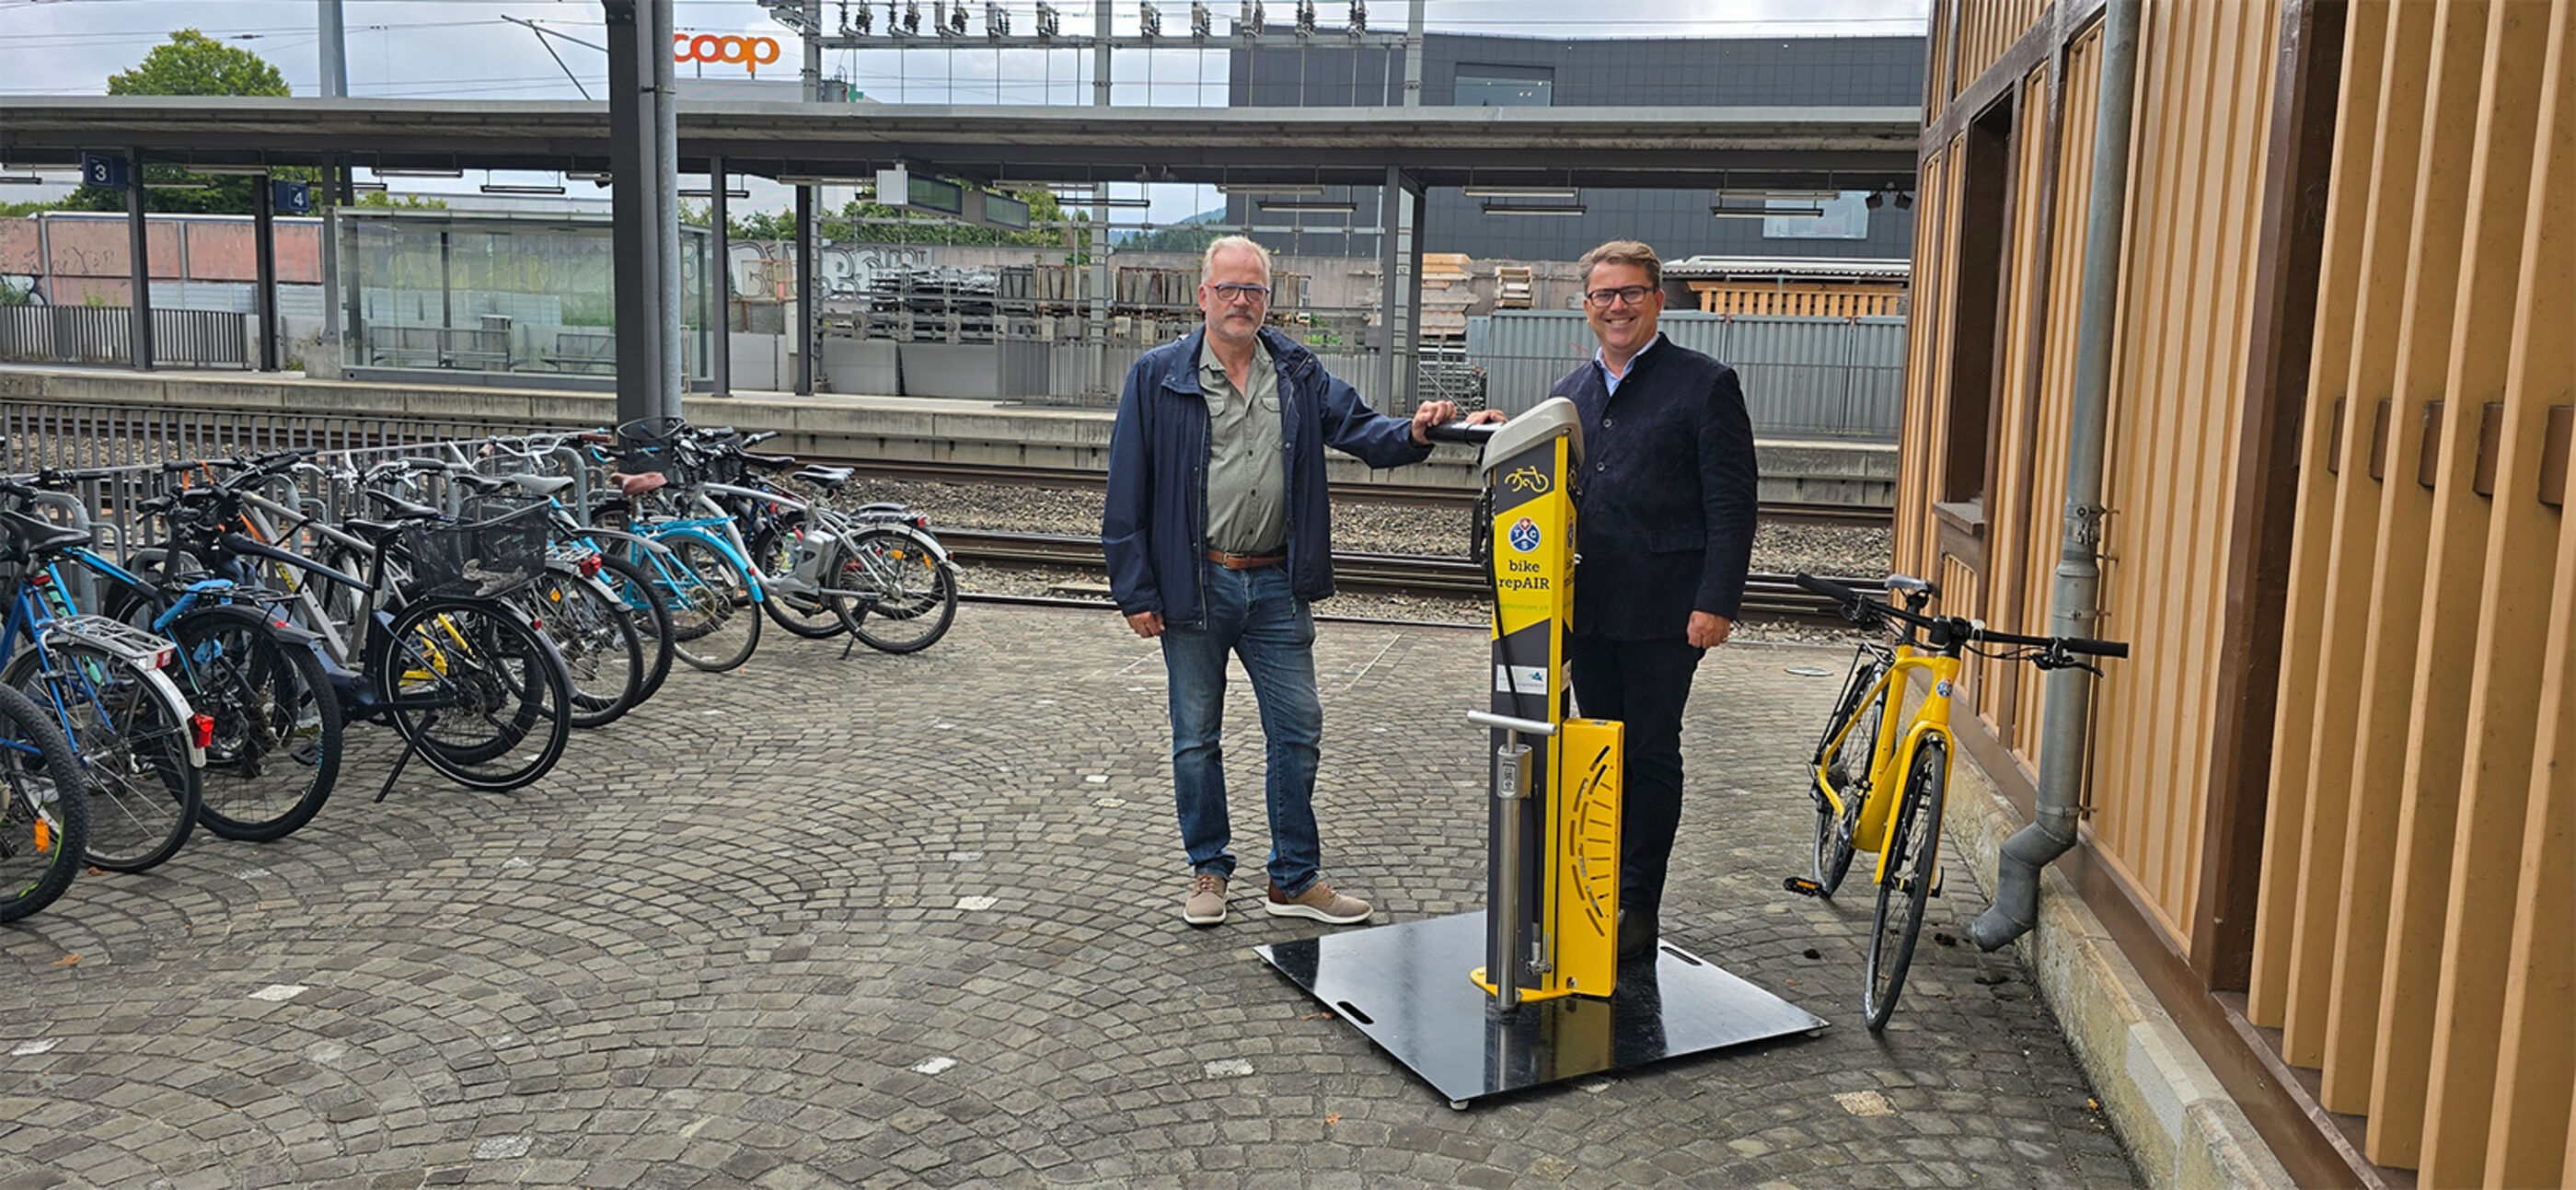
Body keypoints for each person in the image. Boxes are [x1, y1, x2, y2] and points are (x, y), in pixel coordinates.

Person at [1103, 235, 1469, 929]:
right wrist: (1136, 589)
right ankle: (1208, 869)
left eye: (1255, 290)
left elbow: (1363, 430)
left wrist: (1420, 433)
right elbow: (1126, 490)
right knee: (1194, 737)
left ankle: (1293, 880)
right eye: (1229, 288)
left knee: (1297, 729)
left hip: (1274, 583)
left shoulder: (1297, 371)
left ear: (1270, 300)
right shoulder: (1158, 375)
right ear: (1202, 294)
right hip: (1196, 585)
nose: (1242, 300)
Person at [1547, 239, 1759, 962]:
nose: (1617, 306)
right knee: (1598, 749)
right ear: (1585, 307)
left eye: (1630, 292)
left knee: (1649, 751)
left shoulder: (1704, 384)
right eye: (1603, 295)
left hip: (1668, 609)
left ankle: (1638, 900)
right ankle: (1593, 885)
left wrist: (1716, 600)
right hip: (1588, 609)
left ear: (1657, 299)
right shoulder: (1568, 392)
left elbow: (1731, 504)